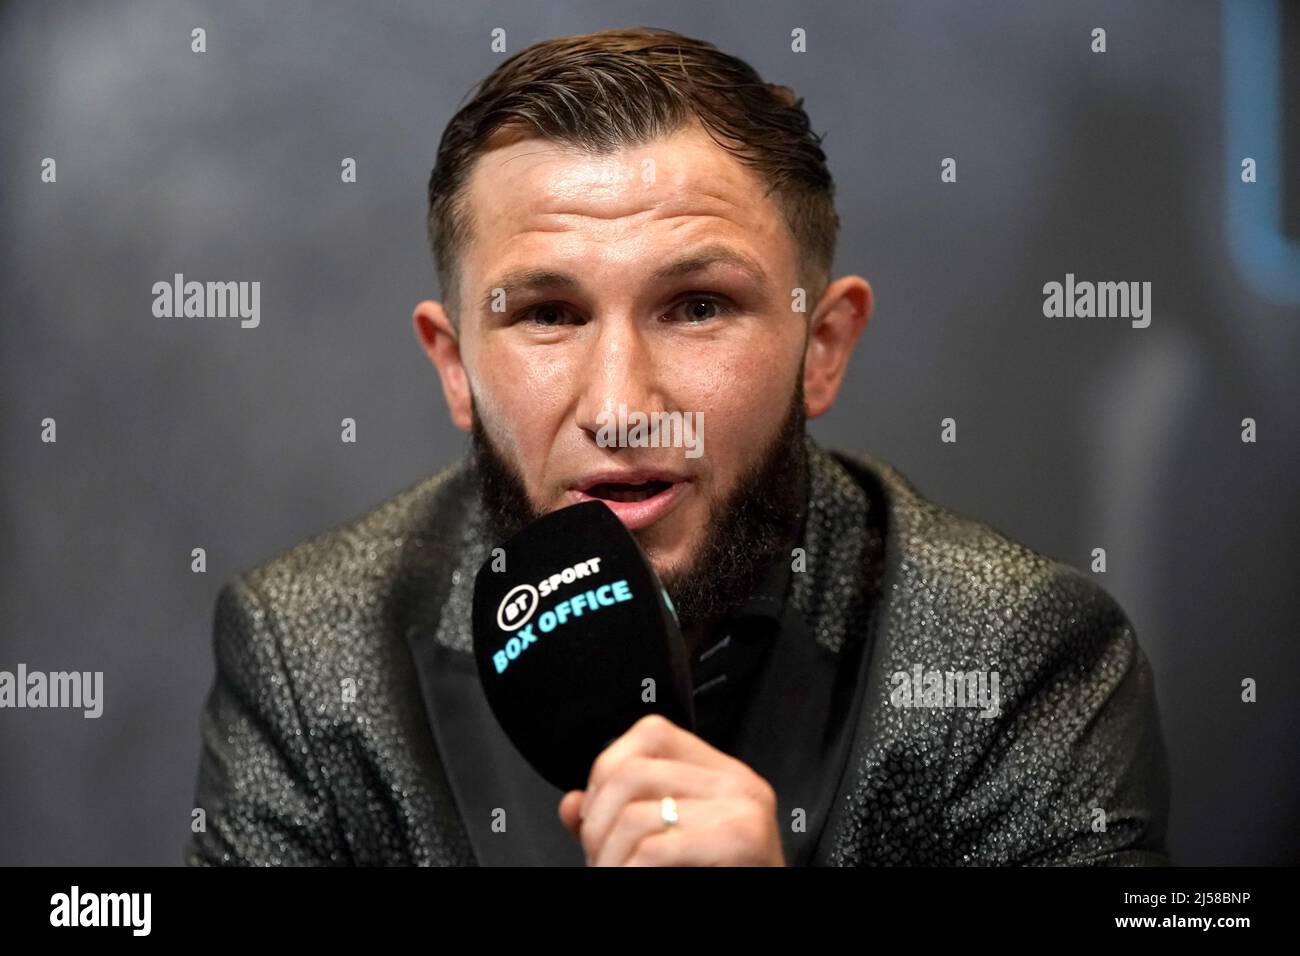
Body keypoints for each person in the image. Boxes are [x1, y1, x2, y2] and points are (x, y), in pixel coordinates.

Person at [185, 26, 1169, 867]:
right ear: (453, 365)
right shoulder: (309, 657)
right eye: (547, 313)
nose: (619, 407)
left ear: (821, 347)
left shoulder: (1017, 655)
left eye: (698, 307)